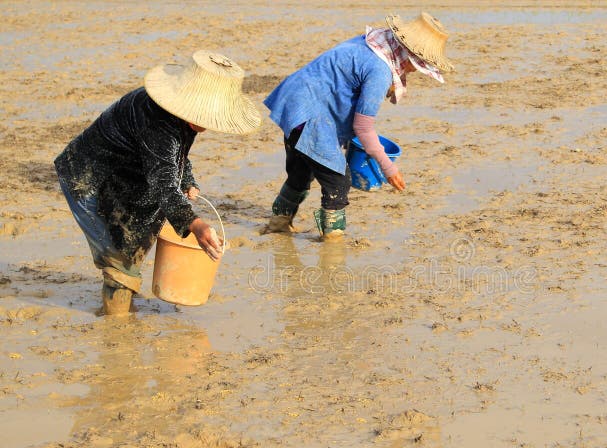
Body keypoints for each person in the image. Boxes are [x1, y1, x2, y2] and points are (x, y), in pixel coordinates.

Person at [55, 50, 261, 314]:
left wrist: (187, 179)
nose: (206, 124)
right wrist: (194, 224)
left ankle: (121, 306)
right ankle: (116, 329)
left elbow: (176, 155)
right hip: (90, 178)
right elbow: (163, 181)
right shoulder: (156, 121)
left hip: (126, 179)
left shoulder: (183, 116)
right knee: (118, 260)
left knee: (133, 246)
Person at [263, 12, 454, 240]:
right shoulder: (380, 71)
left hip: (293, 104)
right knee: (338, 183)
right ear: (409, 56)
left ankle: (277, 225)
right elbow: (363, 127)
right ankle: (332, 242)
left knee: (301, 172)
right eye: (417, 66)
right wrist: (389, 168)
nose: (414, 71)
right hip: (310, 117)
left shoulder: (372, 42)